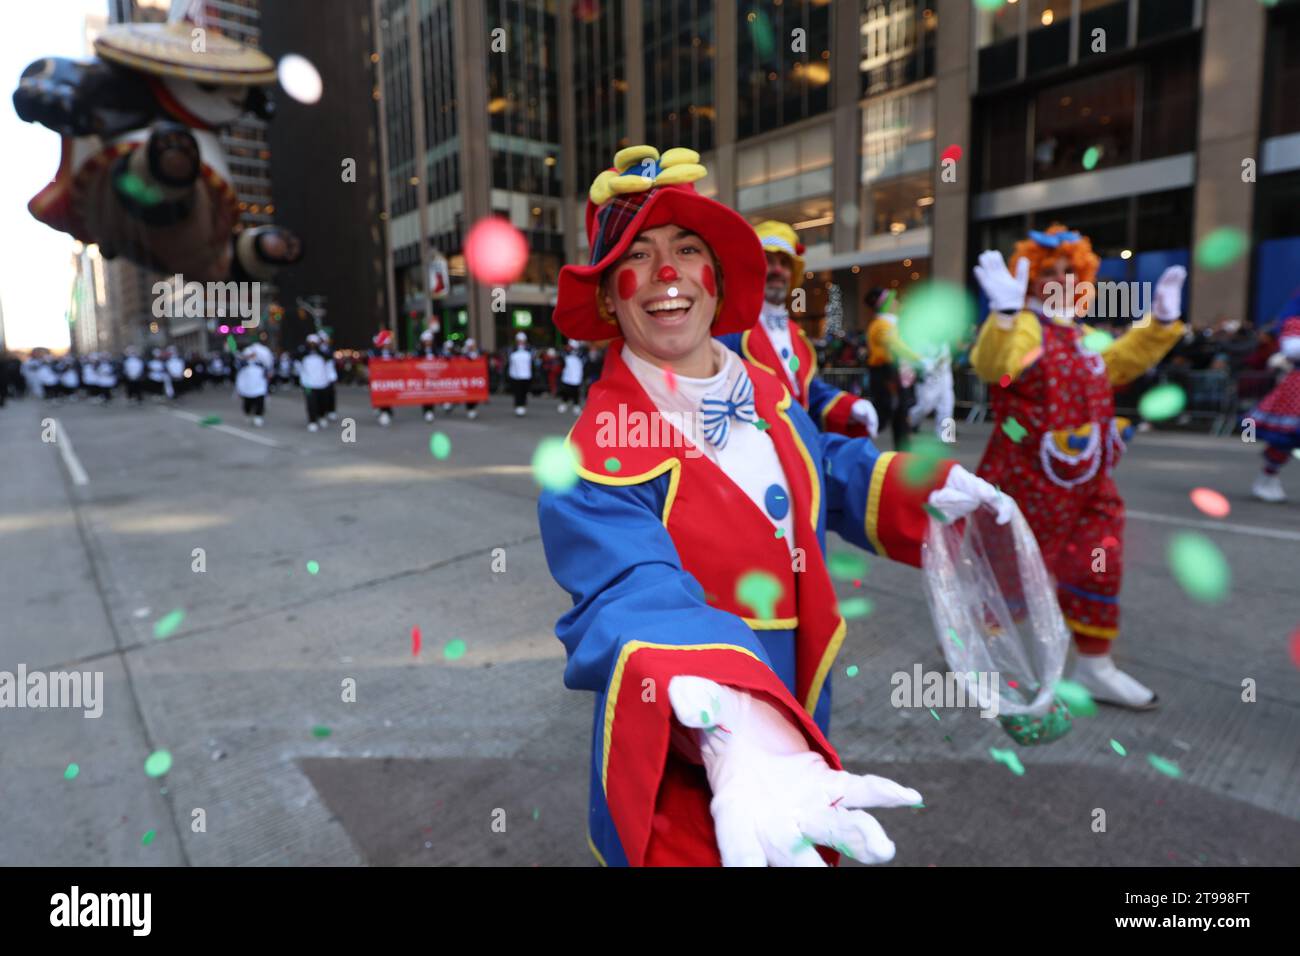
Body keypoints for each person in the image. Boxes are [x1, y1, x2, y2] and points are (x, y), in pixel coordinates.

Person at [538, 144, 1011, 868]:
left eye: (687, 249)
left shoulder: (766, 393)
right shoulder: (596, 450)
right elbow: (627, 586)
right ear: (609, 295)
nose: (667, 274)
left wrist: (924, 491)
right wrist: (731, 726)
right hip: (689, 718)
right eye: (640, 254)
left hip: (795, 694)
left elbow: (819, 468)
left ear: (716, 277)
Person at [968, 224, 1187, 710]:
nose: (1060, 279)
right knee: (1012, 566)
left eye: (1070, 270)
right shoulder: (1025, 325)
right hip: (1026, 475)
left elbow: (1119, 363)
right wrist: (1004, 315)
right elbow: (993, 366)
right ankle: (975, 650)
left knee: (1100, 559)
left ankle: (1095, 667)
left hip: (1087, 477)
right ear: (1032, 277)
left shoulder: (1083, 332)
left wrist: (1158, 326)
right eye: (1049, 271)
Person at [718, 220, 878, 438]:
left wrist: (847, 405)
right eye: (768, 261)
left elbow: (805, 391)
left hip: (800, 444)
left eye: (785, 263)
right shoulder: (731, 328)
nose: (777, 270)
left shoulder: (797, 335)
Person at [1246, 295, 1300, 502]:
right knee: (1285, 438)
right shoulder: (1294, 322)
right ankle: (1266, 477)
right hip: (1296, 389)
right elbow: (1291, 349)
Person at [865, 288, 916, 450]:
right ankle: (855, 441)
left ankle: (903, 452)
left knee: (900, 413)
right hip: (884, 372)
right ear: (886, 305)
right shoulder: (881, 325)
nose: (897, 303)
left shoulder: (891, 323)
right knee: (883, 412)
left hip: (893, 372)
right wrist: (920, 359)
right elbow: (895, 345)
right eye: (893, 301)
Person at [298, 333, 330, 431]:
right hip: (308, 383)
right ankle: (312, 421)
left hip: (322, 382)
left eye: (314, 343)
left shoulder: (323, 352)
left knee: (322, 402)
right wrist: (307, 350)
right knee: (311, 402)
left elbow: (330, 356)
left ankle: (322, 416)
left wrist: (318, 349)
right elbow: (295, 355)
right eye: (310, 343)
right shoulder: (303, 353)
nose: (312, 345)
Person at [234, 346, 268, 426]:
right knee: (248, 403)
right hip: (247, 388)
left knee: (260, 402)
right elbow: (240, 377)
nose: (251, 356)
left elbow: (265, 374)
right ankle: (247, 414)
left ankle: (258, 416)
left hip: (259, 387)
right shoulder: (242, 365)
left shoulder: (260, 364)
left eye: (253, 354)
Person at [507, 331, 534, 416]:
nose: (521, 342)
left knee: (524, 391)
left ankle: (523, 405)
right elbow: (509, 363)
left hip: (526, 375)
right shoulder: (512, 350)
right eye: (519, 340)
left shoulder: (530, 350)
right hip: (515, 375)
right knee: (517, 392)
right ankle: (518, 405)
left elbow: (532, 364)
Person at [557, 340, 584, 414]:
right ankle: (564, 403)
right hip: (567, 375)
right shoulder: (565, 353)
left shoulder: (580, 354)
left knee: (575, 391)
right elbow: (561, 357)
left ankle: (576, 405)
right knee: (565, 390)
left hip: (576, 375)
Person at [462, 337, 482, 420]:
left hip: (476, 377)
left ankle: (473, 407)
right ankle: (470, 409)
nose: (471, 347)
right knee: (468, 393)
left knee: (475, 393)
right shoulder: (464, 354)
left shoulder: (478, 353)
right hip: (467, 377)